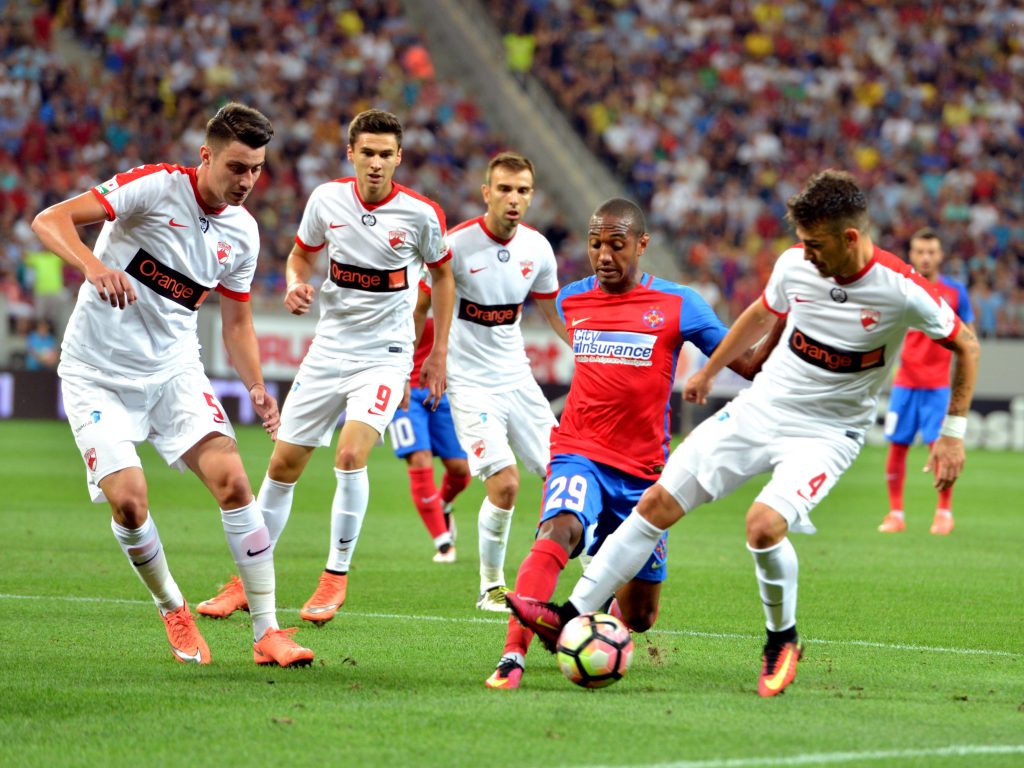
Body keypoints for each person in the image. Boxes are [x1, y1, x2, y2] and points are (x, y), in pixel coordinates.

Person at [506, 170, 980, 697]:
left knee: (762, 525)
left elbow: (967, 346)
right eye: (801, 243)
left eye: (816, 245)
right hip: (762, 409)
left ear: (849, 238)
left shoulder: (902, 288)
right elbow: (761, 313)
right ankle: (570, 614)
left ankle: (782, 639)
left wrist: (952, 432)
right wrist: (711, 371)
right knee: (658, 502)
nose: (807, 256)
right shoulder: (795, 264)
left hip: (828, 432)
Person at [31, 103, 314, 667]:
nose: (247, 181)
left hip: (173, 372)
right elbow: (50, 219)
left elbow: (236, 323)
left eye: (256, 169)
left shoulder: (244, 233)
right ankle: (172, 606)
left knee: (234, 481)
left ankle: (268, 632)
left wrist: (256, 386)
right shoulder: (155, 187)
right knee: (131, 505)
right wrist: (93, 265)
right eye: (237, 166)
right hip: (96, 374)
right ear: (205, 155)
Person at [485, 197, 780, 689]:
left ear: (641, 245)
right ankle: (511, 657)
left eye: (617, 245)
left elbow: (747, 366)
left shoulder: (678, 304)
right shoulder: (571, 299)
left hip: (644, 473)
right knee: (558, 529)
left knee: (641, 617)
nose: (604, 255)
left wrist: (785, 322)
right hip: (578, 451)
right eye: (596, 243)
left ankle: (598, 608)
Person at [196, 109, 454, 626]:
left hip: (384, 354)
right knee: (282, 466)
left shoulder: (422, 214)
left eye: (386, 154)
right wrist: (295, 283)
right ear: (350, 153)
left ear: (399, 158)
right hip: (329, 348)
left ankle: (335, 577)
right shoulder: (326, 200)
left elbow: (443, 278)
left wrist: (438, 353)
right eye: (368, 153)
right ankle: (247, 581)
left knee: (350, 453)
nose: (376, 163)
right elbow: (301, 256)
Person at [443, 151, 570, 612]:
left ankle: (555, 569)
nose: (513, 199)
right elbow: (421, 309)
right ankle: (491, 587)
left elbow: (551, 308)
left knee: (564, 475)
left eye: (522, 191)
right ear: (486, 193)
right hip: (470, 383)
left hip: (517, 378)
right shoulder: (454, 246)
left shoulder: (537, 248)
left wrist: (584, 346)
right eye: (504, 189)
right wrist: (420, 365)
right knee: (506, 484)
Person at [878, 228, 975, 535]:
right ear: (911, 254)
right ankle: (896, 513)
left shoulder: (955, 292)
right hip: (904, 384)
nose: (926, 257)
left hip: (938, 386)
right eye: (920, 251)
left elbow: (968, 339)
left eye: (931, 251)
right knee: (897, 448)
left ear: (941, 255)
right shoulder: (899, 288)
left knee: (942, 448)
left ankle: (944, 512)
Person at [387, 280, 471, 563]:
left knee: (460, 470)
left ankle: (443, 505)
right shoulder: (400, 286)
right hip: (404, 391)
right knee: (419, 459)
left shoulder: (455, 291)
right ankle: (443, 543)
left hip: (443, 390)